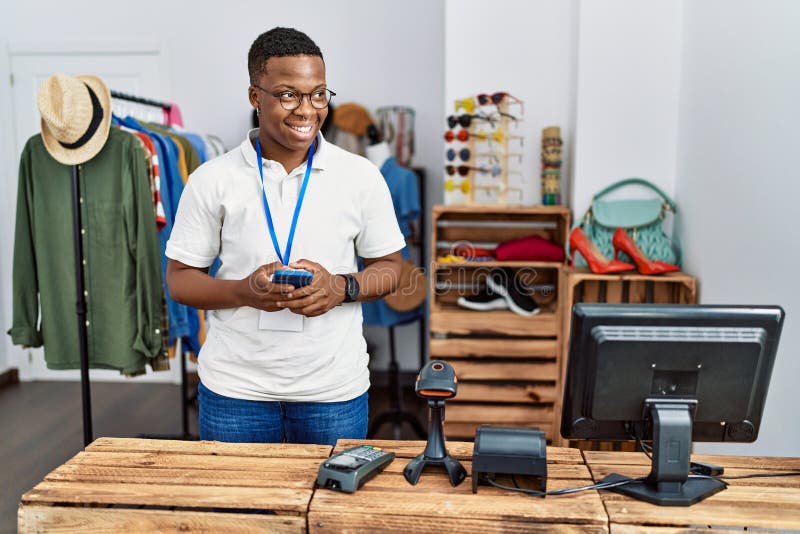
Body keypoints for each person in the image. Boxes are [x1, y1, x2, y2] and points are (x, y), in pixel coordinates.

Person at [165, 27, 405, 446]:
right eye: (288, 95)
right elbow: (180, 279)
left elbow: (391, 269)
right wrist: (243, 292)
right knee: (238, 494)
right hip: (235, 390)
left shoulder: (361, 176)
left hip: (333, 390)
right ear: (255, 97)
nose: (307, 110)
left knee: (331, 492)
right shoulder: (212, 179)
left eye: (318, 94)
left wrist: (341, 288)